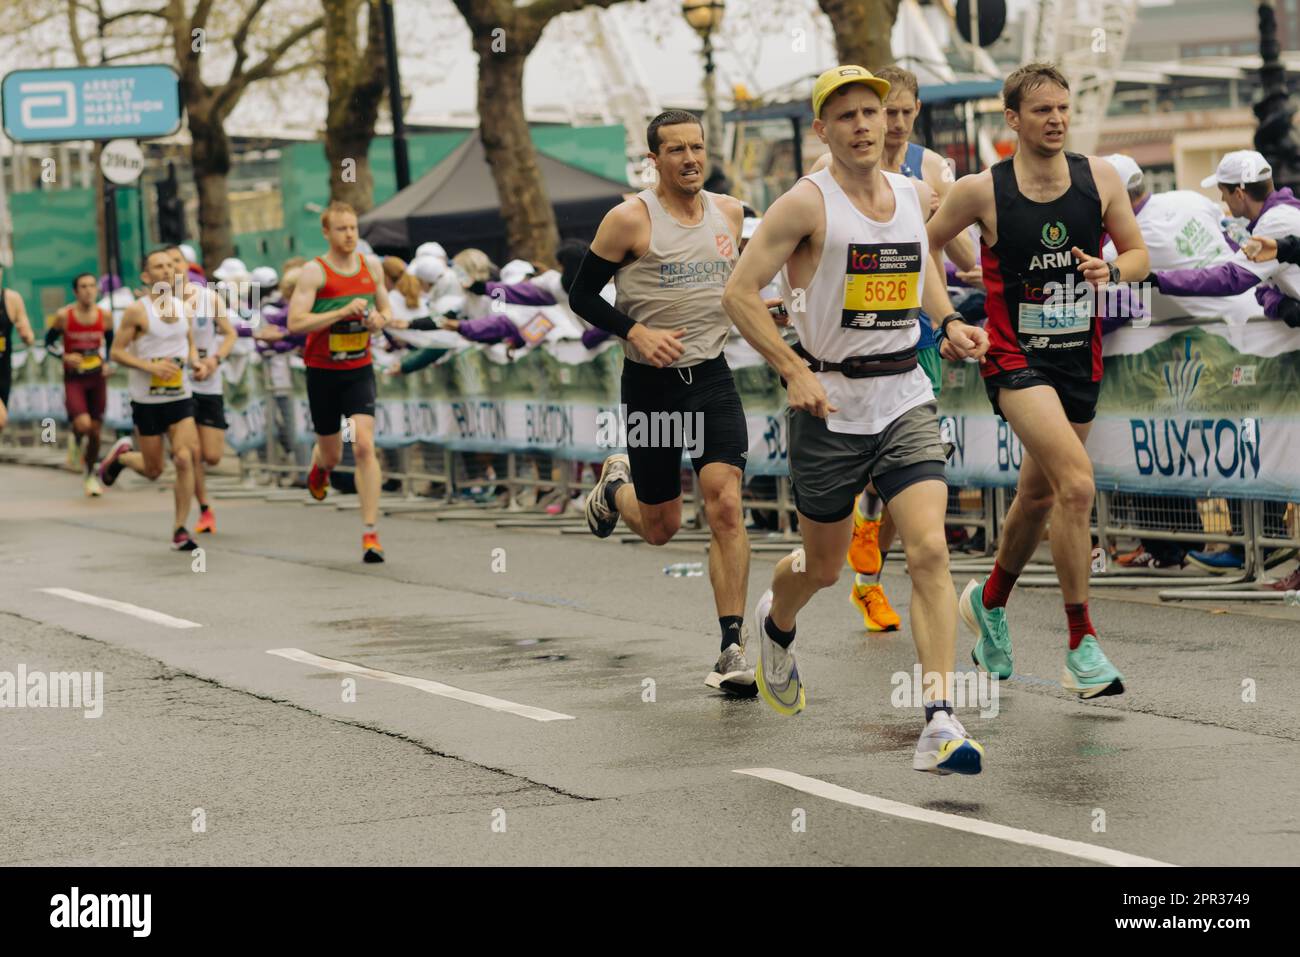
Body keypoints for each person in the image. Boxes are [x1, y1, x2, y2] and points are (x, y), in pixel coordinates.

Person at [724, 65, 991, 773]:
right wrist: (794, 367)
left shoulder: (914, 193)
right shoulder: (802, 205)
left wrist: (948, 320)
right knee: (824, 564)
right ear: (822, 130)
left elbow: (921, 262)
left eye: (873, 111)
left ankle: (939, 717)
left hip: (903, 393)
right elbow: (741, 294)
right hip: (830, 406)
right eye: (846, 116)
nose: (866, 125)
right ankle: (774, 624)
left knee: (929, 548)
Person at [925, 62, 1150, 699]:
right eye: (1042, 110)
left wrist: (1112, 270)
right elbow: (920, 246)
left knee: (1040, 496)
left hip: (1079, 358)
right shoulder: (981, 190)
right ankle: (1081, 645)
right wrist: (945, 319)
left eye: (1062, 109)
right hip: (1014, 359)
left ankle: (989, 603)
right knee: (1076, 485)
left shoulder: (1099, 177)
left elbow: (1139, 256)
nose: (1055, 120)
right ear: (1013, 119)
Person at [568, 108, 756, 697]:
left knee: (725, 504)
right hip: (650, 387)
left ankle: (731, 646)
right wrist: (634, 332)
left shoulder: (730, 213)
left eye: (696, 147)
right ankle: (613, 487)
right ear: (654, 159)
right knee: (661, 528)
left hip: (712, 379)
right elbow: (580, 295)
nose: (690, 158)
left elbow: (737, 287)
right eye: (675, 150)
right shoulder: (629, 220)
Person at [811, 64, 977, 635]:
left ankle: (869, 581)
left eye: (904, 113)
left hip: (916, 337)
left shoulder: (929, 171)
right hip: (844, 352)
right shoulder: (823, 174)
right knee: (870, 473)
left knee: (907, 466)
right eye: (891, 112)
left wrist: (966, 289)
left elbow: (947, 242)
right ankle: (857, 550)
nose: (897, 124)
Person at [286, 200, 393, 563]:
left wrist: (379, 319)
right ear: (326, 233)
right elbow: (295, 323)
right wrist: (339, 313)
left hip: (358, 369)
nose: (349, 235)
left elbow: (387, 308)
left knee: (363, 445)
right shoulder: (314, 273)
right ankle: (320, 468)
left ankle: (370, 533)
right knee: (332, 453)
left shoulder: (371, 266)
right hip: (322, 372)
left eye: (353, 228)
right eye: (342, 229)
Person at [99, 248, 203, 551]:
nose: (167, 270)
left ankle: (180, 528)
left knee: (184, 458)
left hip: (180, 395)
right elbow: (116, 352)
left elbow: (189, 343)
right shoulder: (137, 311)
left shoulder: (185, 307)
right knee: (154, 470)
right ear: (147, 276)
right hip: (147, 399)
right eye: (159, 267)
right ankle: (122, 457)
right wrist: (150, 367)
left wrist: (196, 362)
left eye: (171, 265)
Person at [170, 246, 237, 534]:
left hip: (209, 382)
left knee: (212, 456)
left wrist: (214, 360)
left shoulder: (208, 297)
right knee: (190, 453)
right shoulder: (159, 303)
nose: (172, 268)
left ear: (187, 266)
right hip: (178, 386)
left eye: (177, 262)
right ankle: (204, 508)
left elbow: (230, 332)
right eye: (165, 264)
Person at [44, 273, 110, 495]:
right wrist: (64, 355)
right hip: (74, 379)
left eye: (92, 286)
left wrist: (108, 363)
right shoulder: (64, 315)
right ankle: (76, 436)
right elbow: (48, 343)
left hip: (97, 377)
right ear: (75, 291)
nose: (88, 290)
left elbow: (112, 344)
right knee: (83, 425)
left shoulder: (105, 315)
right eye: (83, 286)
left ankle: (90, 474)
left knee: (96, 432)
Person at [0, 263, 37, 433]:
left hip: (3, 366)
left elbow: (28, 335)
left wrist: (27, 336)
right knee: (1, 419)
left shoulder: (11, 299)